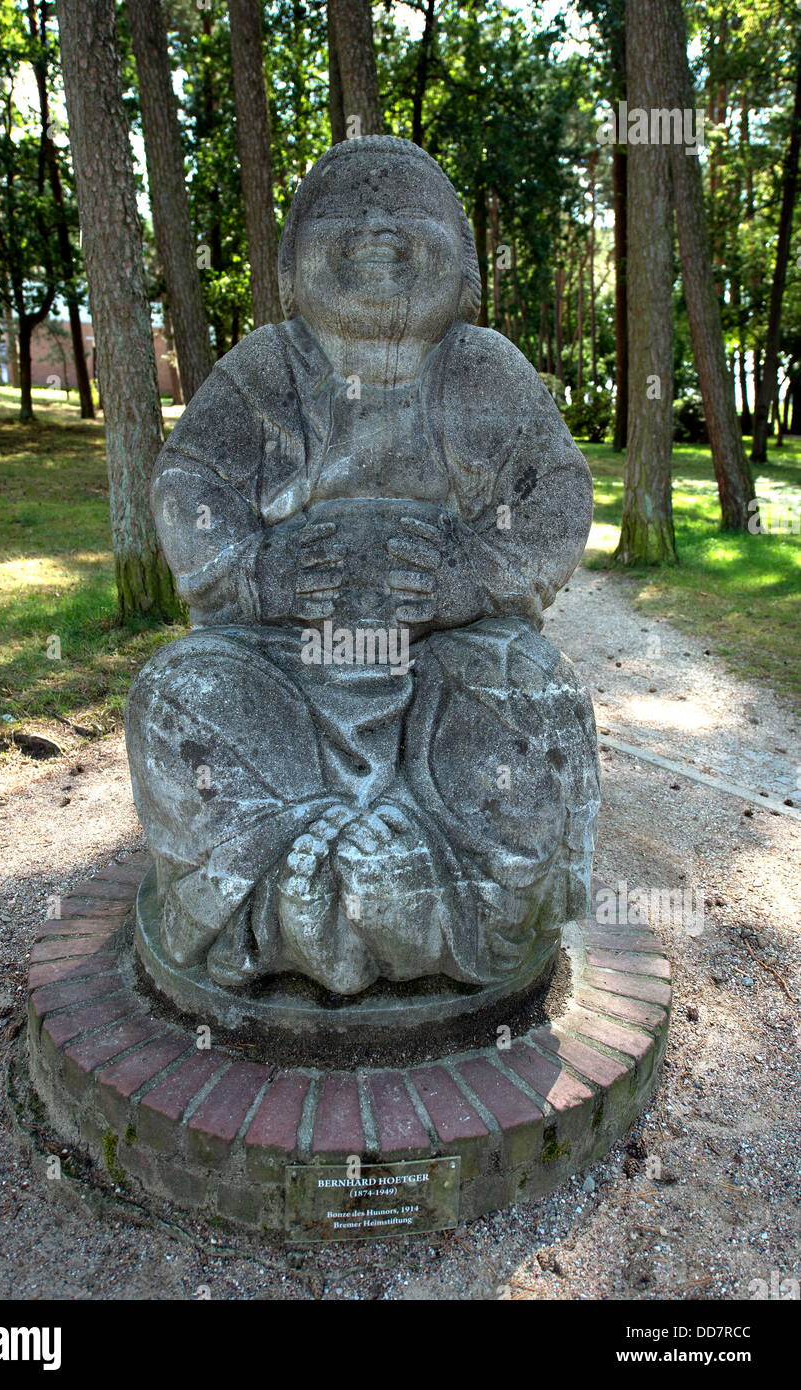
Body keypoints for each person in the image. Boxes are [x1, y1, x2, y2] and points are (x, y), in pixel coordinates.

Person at [126, 136, 599, 998]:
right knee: (176, 689)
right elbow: (188, 484)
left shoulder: (485, 371)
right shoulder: (264, 369)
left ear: (464, 267)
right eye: (342, 213)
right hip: (283, 658)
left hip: (444, 657)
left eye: (407, 210)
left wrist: (478, 576)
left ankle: (457, 902)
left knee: (535, 691)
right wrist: (253, 572)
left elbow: (556, 496)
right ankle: (286, 885)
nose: (376, 224)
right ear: (289, 267)